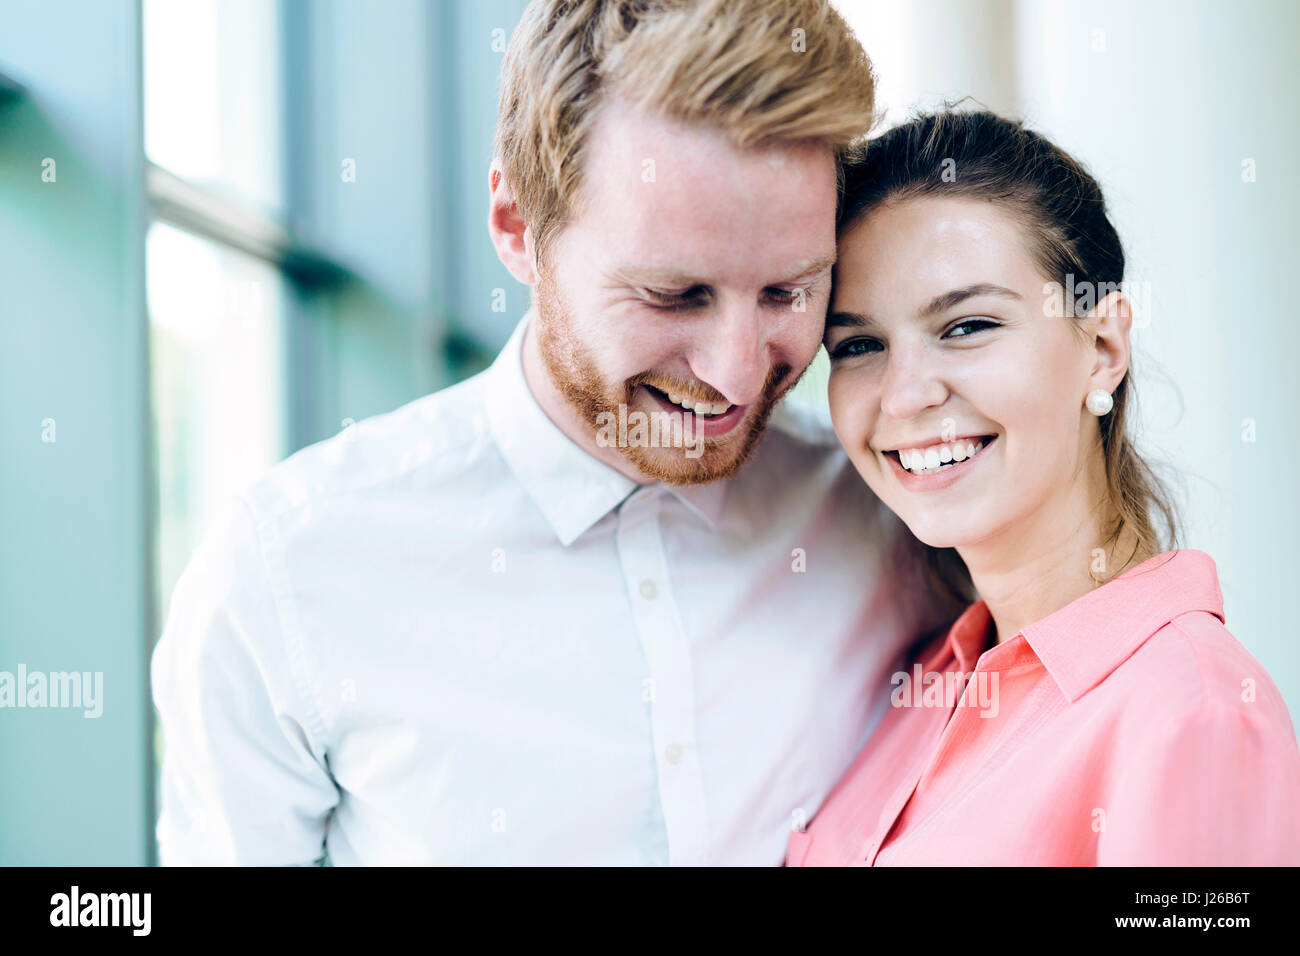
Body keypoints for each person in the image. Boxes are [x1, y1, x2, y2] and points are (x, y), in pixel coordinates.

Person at [151, 0, 958, 866]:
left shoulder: (900, 521)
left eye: (787, 291)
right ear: (516, 228)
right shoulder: (286, 574)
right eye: (672, 295)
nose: (734, 373)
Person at [786, 109, 1300, 866]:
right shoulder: (927, 675)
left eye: (966, 326)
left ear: (1102, 347)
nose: (904, 396)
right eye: (859, 345)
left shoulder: (1195, 717)